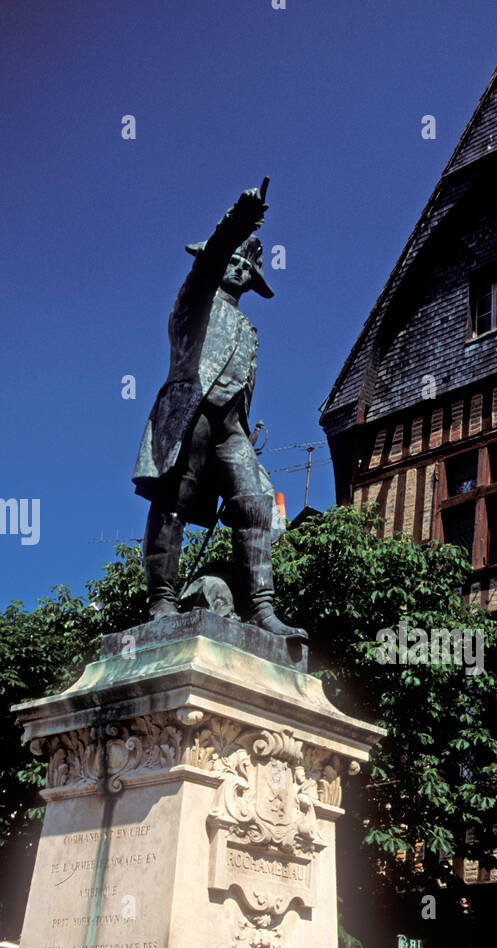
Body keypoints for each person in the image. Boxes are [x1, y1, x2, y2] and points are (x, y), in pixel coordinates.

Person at [133, 182, 303, 638]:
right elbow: (208, 264)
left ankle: (262, 608)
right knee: (173, 504)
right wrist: (237, 222)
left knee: (255, 505)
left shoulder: (249, 329)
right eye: (234, 260)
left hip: (232, 427)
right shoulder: (193, 303)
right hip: (190, 414)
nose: (240, 270)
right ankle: (162, 601)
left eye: (249, 267)